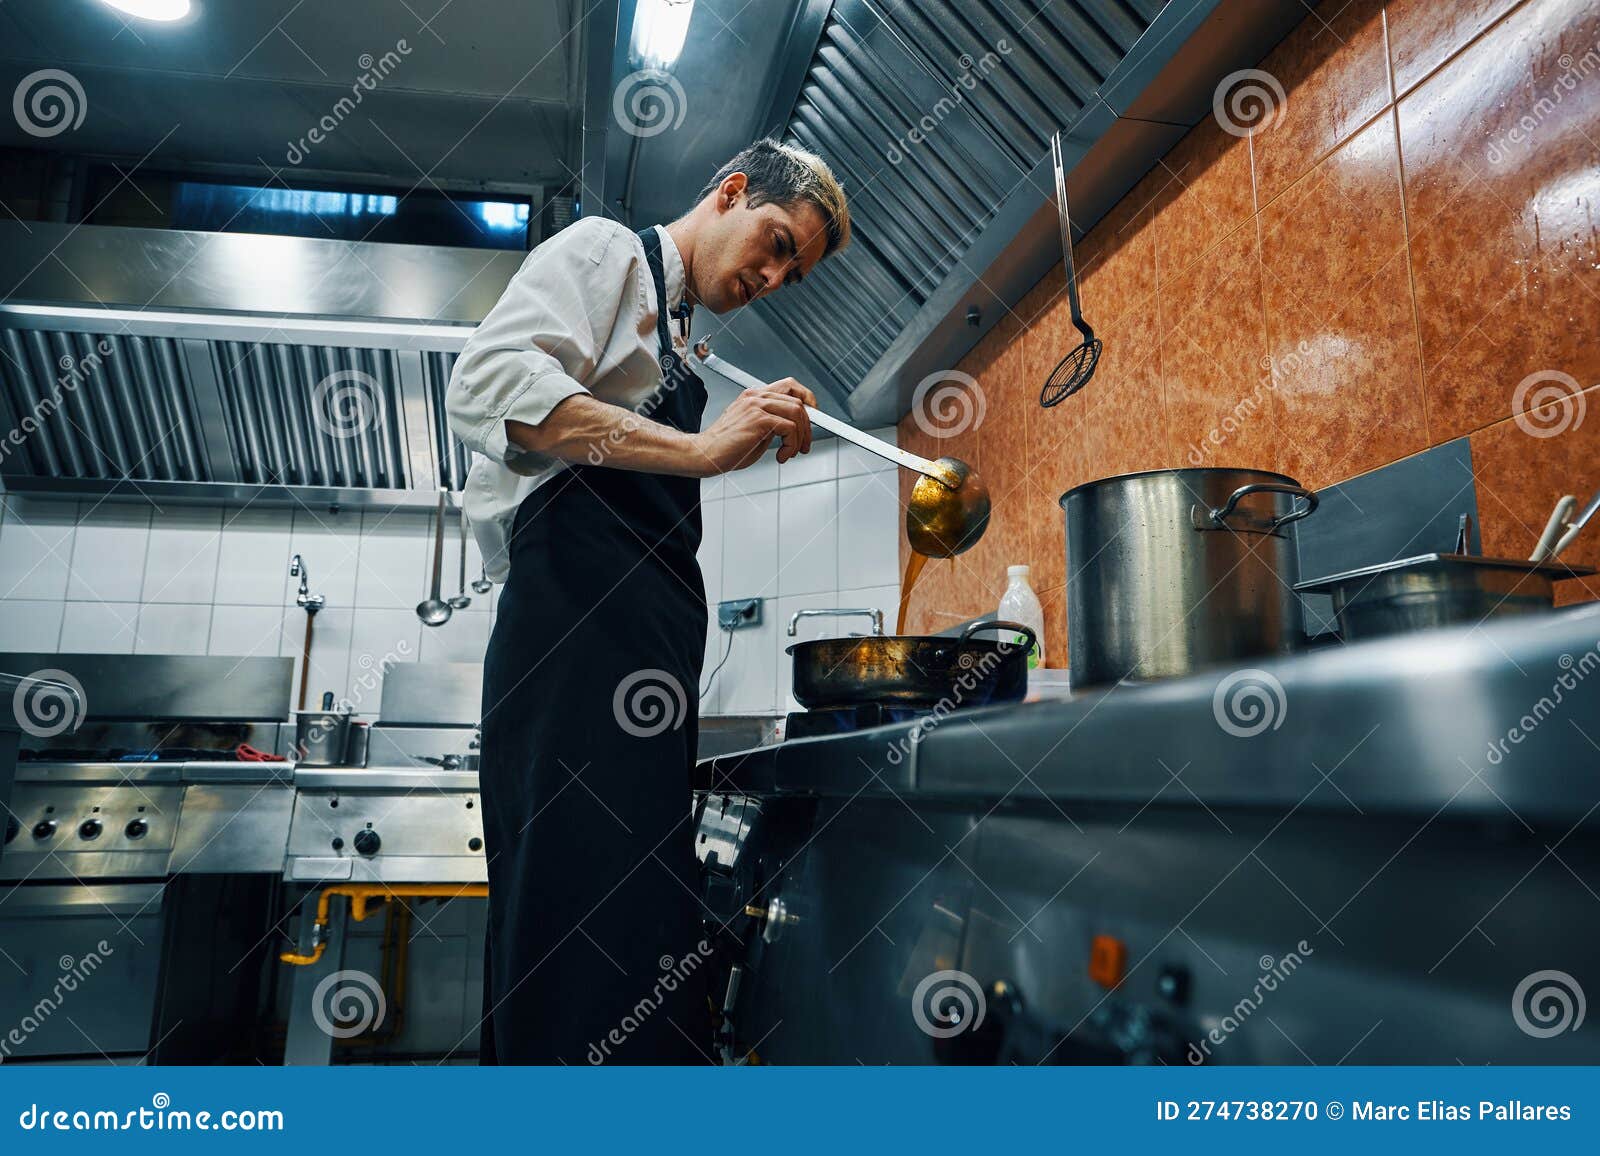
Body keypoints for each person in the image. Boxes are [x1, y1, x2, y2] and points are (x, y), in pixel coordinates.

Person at [446, 139, 851, 1063]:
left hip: (637, 664)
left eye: (795, 270)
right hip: (576, 642)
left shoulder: (676, 341)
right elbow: (488, 386)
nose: (776, 275)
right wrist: (706, 451)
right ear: (733, 192)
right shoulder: (605, 253)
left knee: (628, 927)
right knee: (573, 924)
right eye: (778, 242)